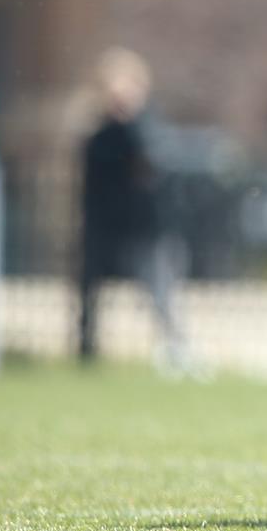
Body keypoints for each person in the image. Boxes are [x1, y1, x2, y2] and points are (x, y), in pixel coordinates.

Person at [78, 48, 194, 374]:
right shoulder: (100, 134)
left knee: (159, 290)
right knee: (89, 292)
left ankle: (177, 348)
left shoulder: (150, 129)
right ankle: (86, 353)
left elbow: (158, 168)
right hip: (106, 224)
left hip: (147, 227)